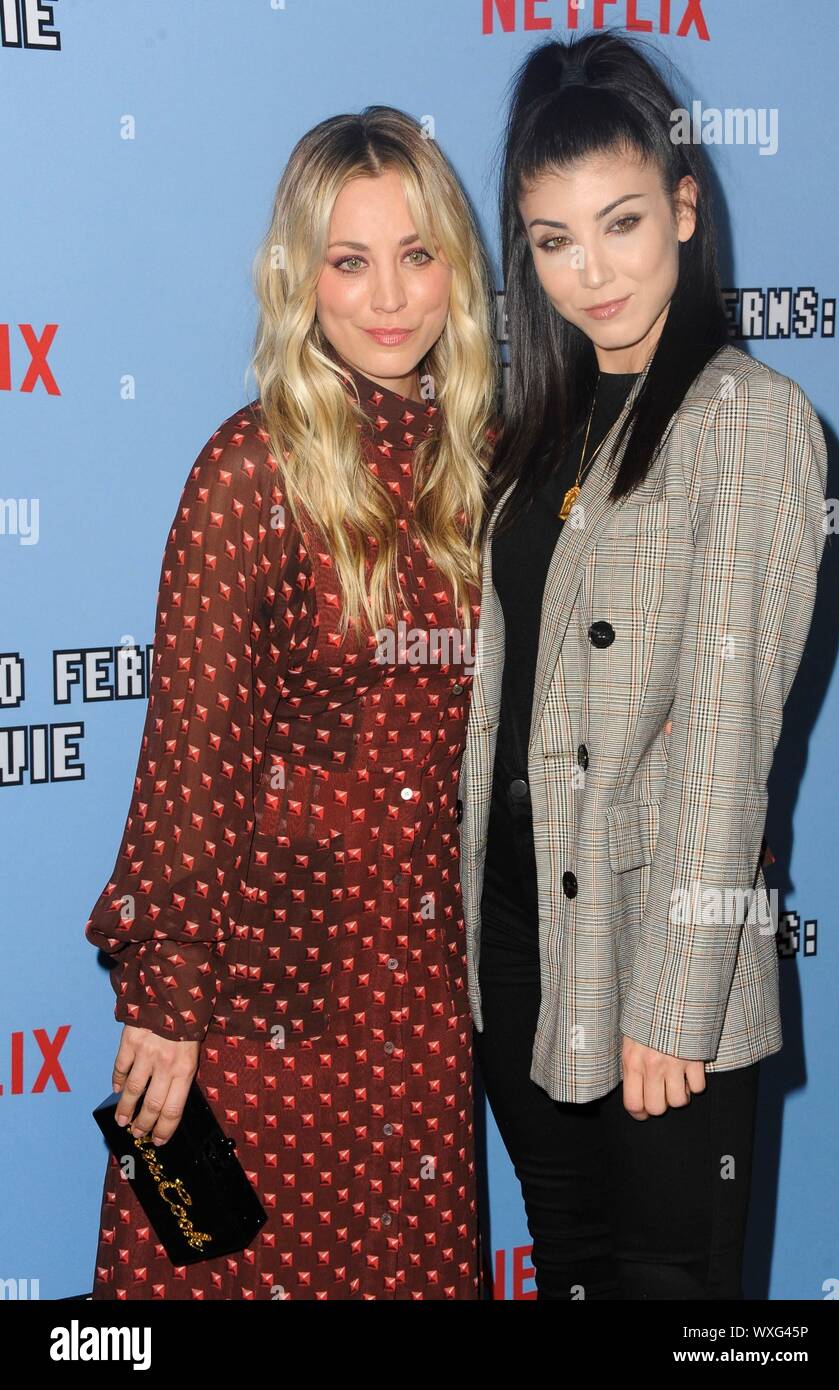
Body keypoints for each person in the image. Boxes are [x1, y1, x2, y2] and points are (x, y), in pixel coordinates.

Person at [85, 106, 498, 1299]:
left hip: (416, 992)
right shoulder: (247, 469)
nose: (389, 297)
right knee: (197, 1271)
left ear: (456, 272)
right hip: (246, 997)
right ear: (299, 275)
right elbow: (189, 757)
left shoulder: (475, 471)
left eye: (417, 256)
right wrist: (165, 998)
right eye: (349, 259)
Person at [458, 31, 828, 1300]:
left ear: (683, 205)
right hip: (516, 932)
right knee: (568, 1267)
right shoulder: (535, 430)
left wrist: (676, 1002)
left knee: (673, 1295)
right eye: (554, 239)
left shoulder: (754, 420)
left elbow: (733, 744)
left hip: (656, 944)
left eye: (620, 222)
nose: (591, 270)